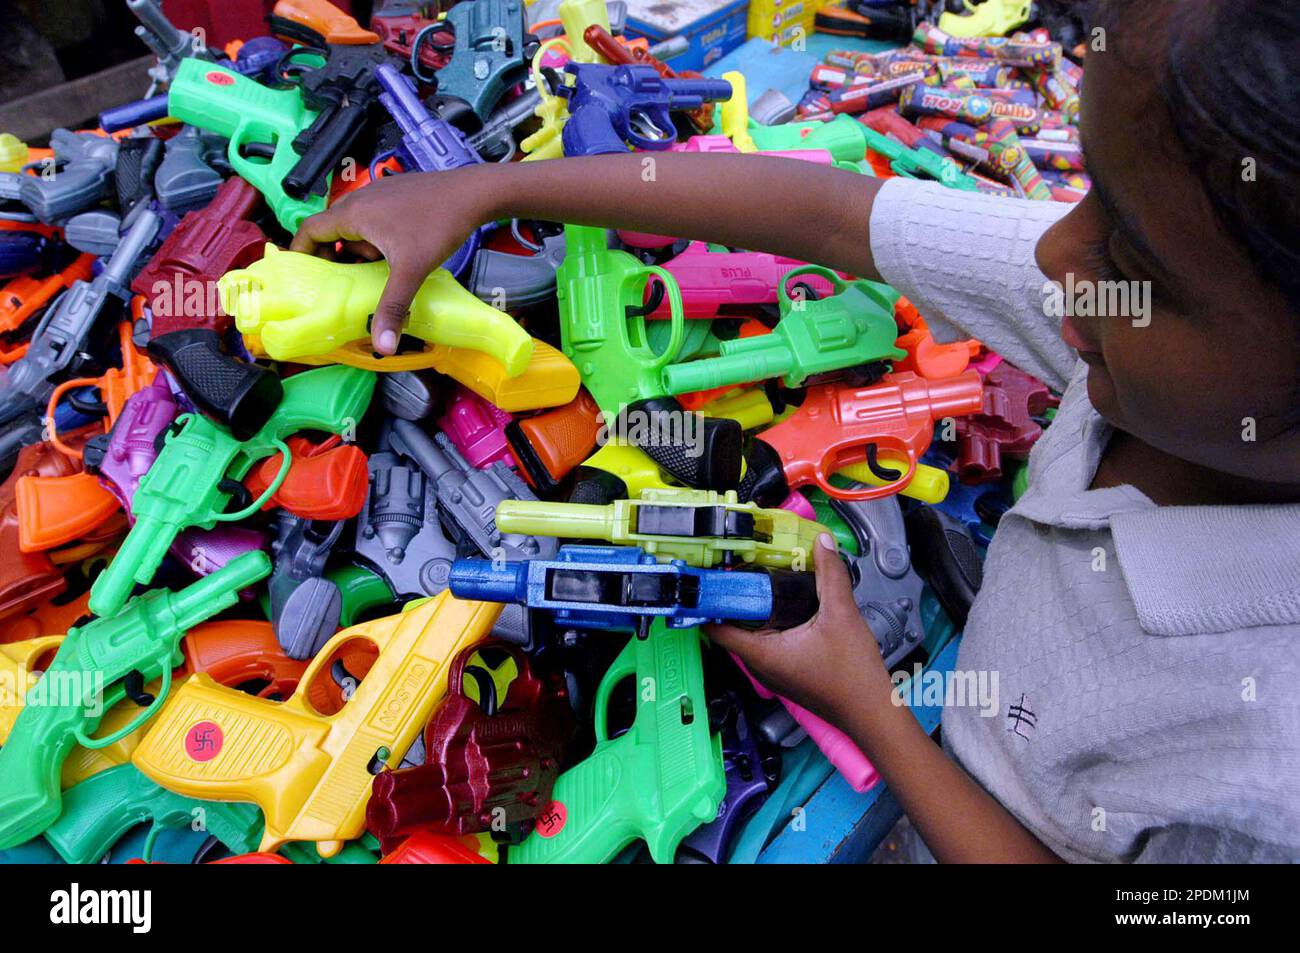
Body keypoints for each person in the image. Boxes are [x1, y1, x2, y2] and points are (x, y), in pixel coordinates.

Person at [291, 0, 1300, 862]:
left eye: (1134, 250)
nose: (1049, 244)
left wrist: (867, 706)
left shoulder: (1272, 771)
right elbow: (829, 213)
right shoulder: (1118, 305)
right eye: (1086, 193)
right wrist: (484, 187)